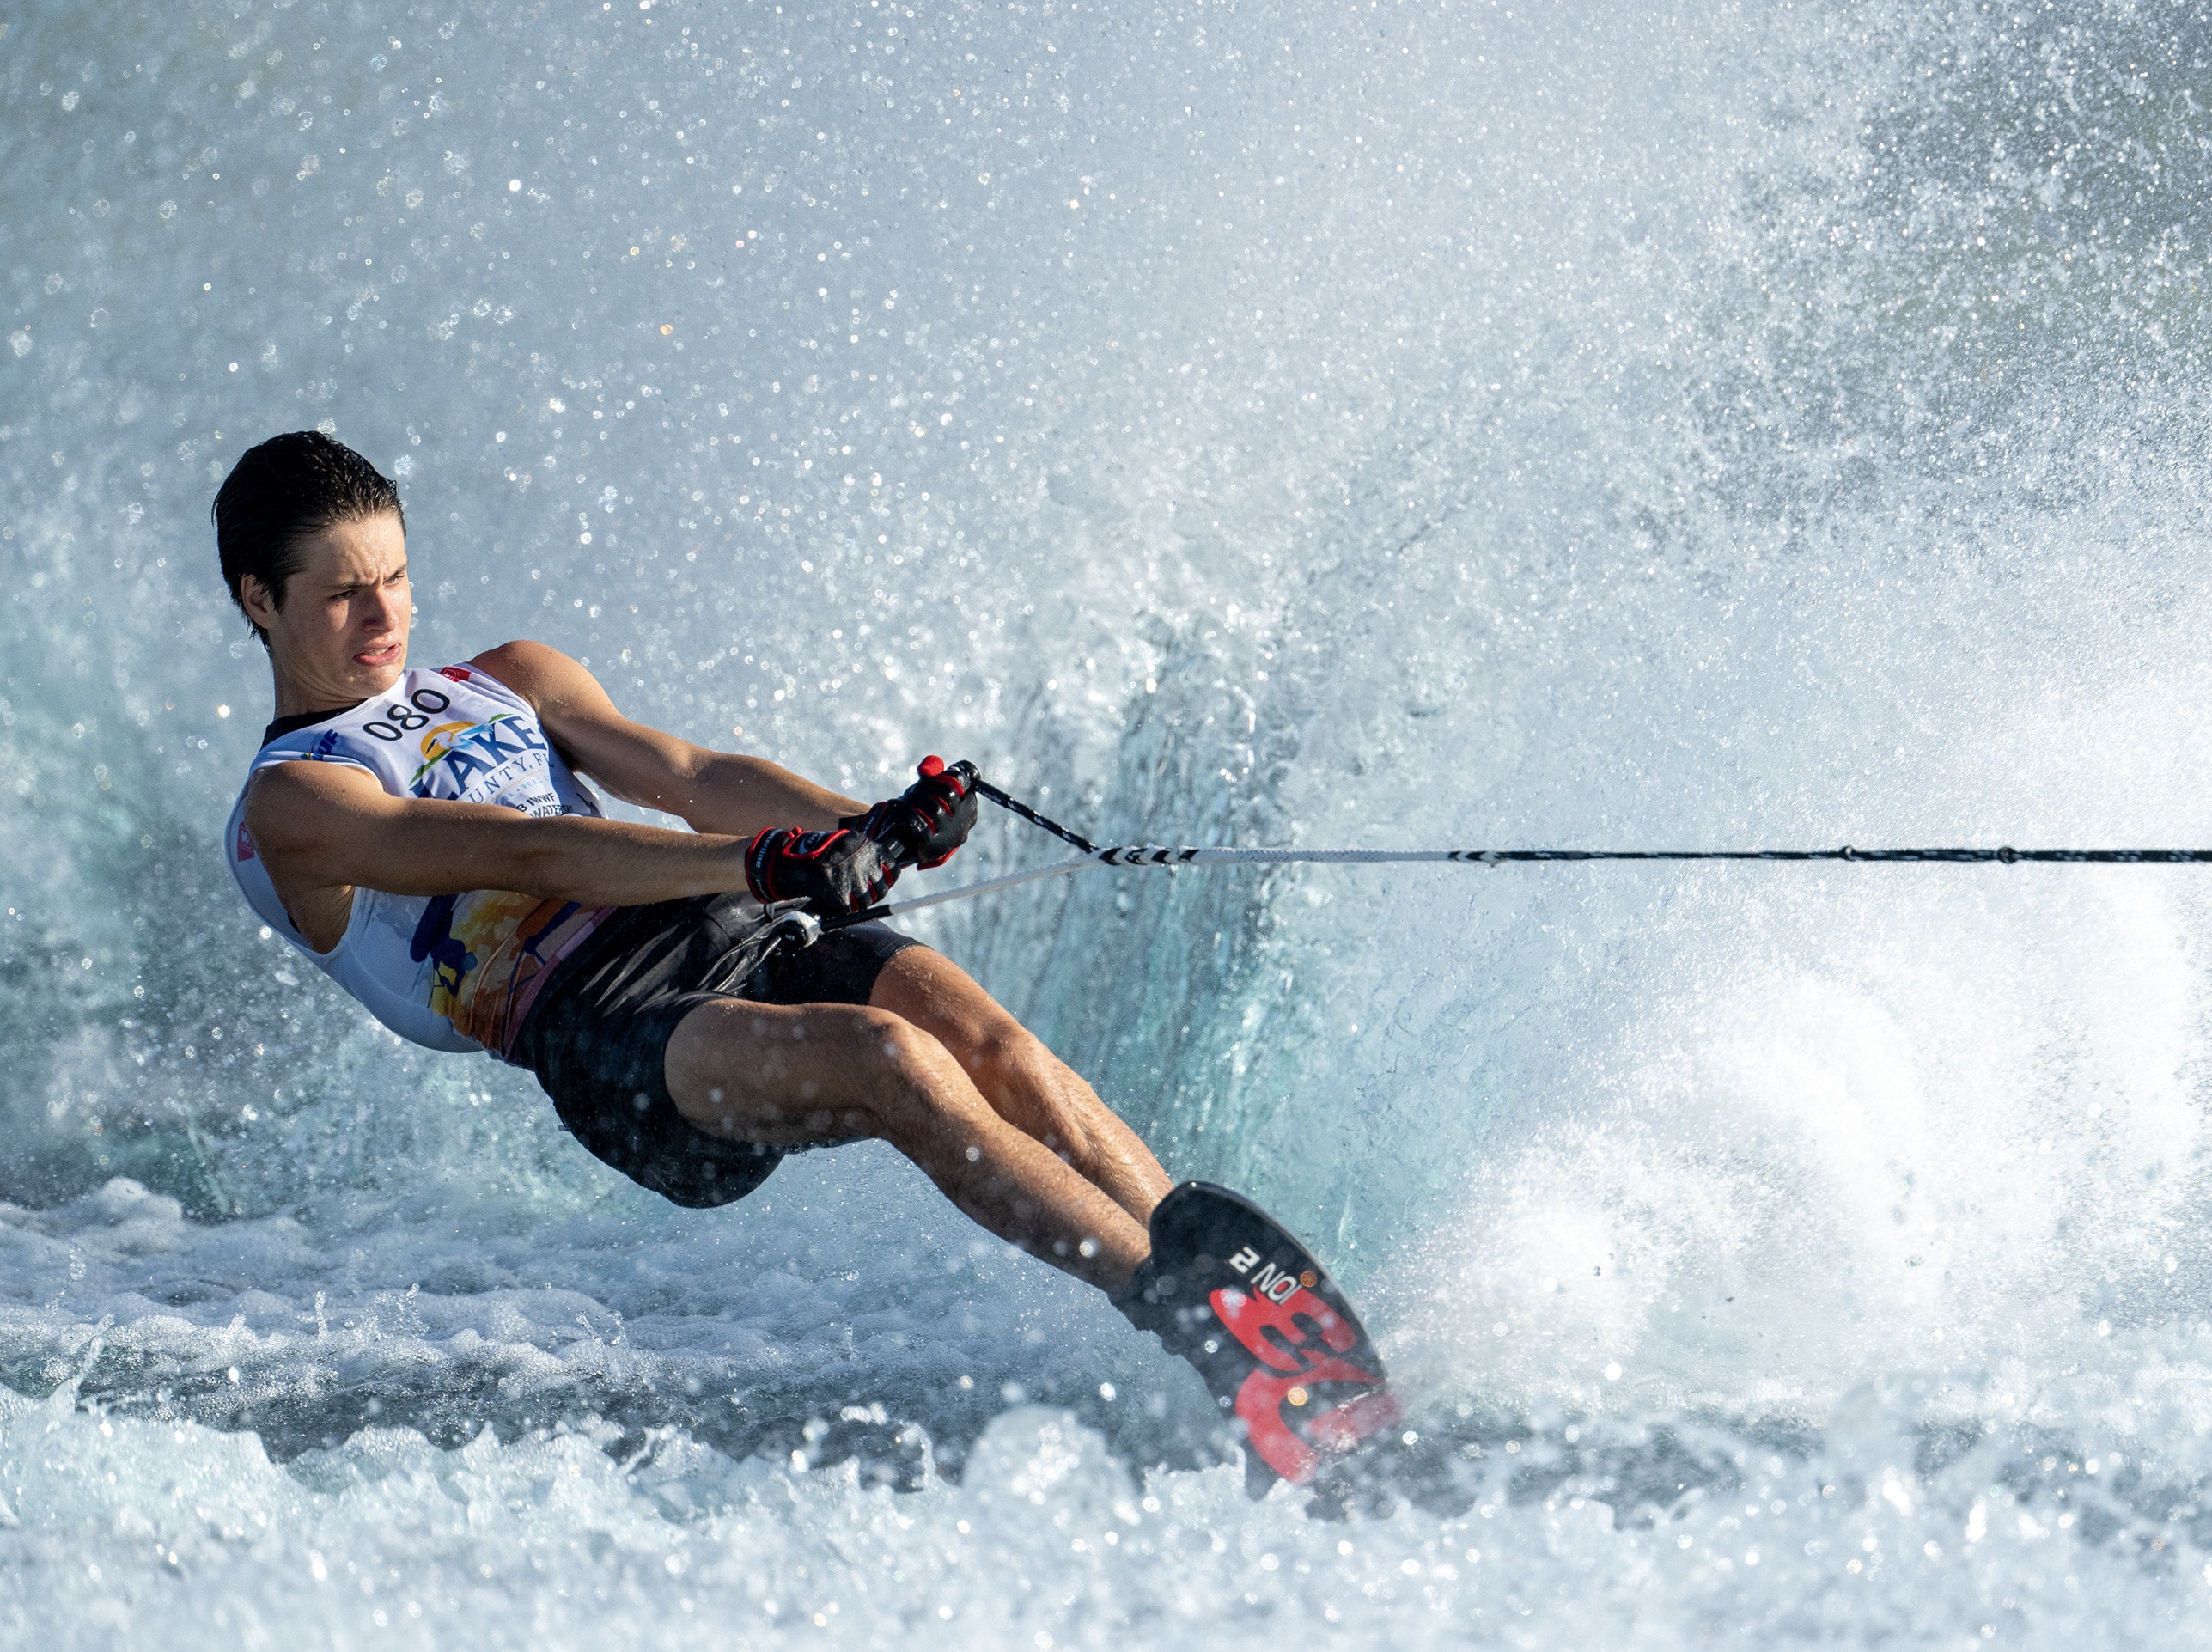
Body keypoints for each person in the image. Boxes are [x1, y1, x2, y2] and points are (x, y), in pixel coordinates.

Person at [213, 431, 1392, 1490]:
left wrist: (864, 825)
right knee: (889, 1059)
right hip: (608, 1029)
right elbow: (530, 846)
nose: (386, 617)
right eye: (343, 596)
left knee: (986, 1042)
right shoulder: (292, 804)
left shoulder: (506, 677)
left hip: (724, 920)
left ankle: (1210, 1267)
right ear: (260, 600)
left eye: (398, 578)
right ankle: (1203, 1335)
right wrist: (753, 863)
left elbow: (687, 771)